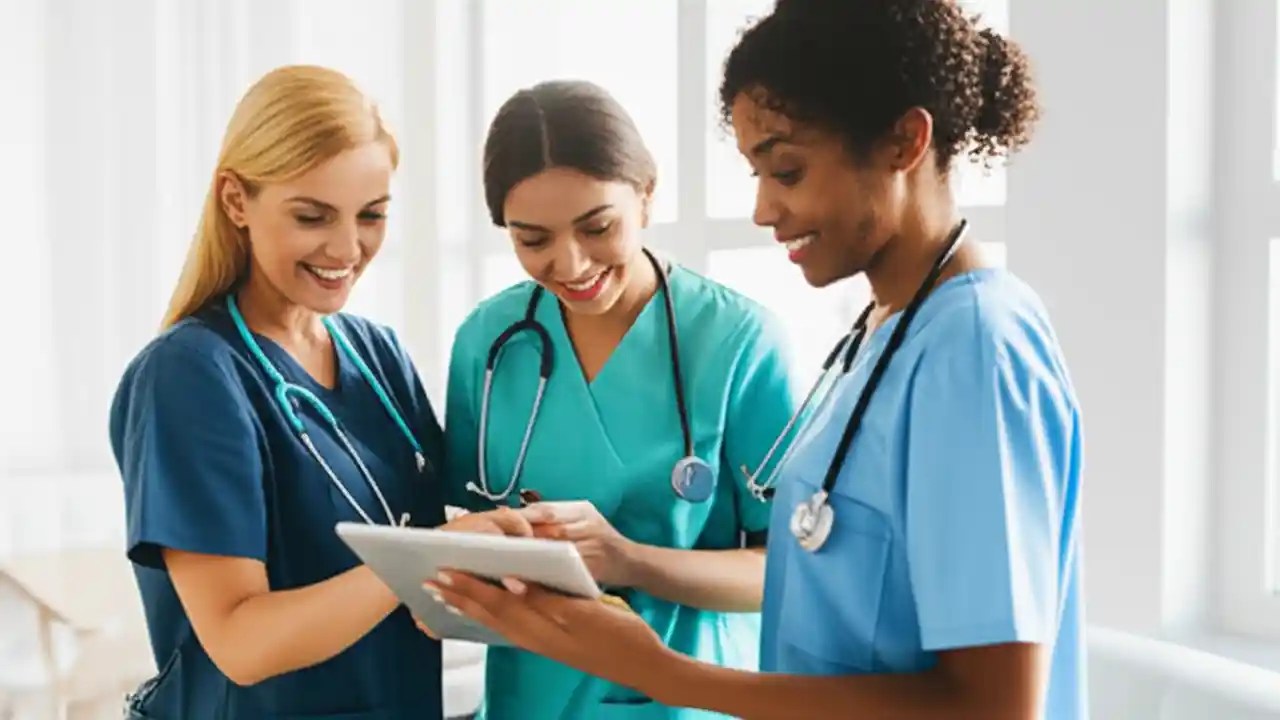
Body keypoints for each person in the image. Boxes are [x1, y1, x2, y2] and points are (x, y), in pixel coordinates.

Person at [429, 2, 1088, 719]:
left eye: (787, 170)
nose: (764, 210)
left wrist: (651, 667)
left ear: (904, 141)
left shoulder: (975, 350)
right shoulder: (883, 339)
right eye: (757, 174)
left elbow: (997, 708)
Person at [109, 64, 531, 720]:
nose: (347, 247)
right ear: (235, 200)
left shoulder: (378, 354)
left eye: (372, 215)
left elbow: (420, 534)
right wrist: (426, 564)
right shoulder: (190, 377)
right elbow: (240, 640)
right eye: (312, 216)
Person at [431, 79, 801, 719]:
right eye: (533, 239)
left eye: (597, 226)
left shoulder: (738, 341)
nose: (570, 264)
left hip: (682, 697)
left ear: (647, 195)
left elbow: (786, 573)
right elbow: (464, 532)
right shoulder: (488, 346)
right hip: (528, 698)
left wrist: (629, 561)